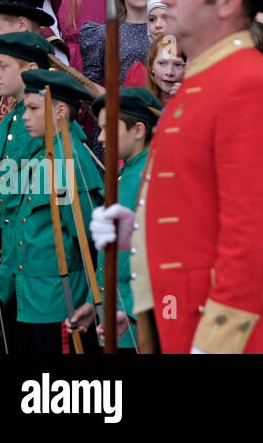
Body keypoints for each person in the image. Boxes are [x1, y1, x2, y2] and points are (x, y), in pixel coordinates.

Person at [91, 0, 263, 353]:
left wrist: (213, 345)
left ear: (226, 3)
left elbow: (251, 240)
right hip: (180, 319)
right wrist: (138, 229)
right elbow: (196, 206)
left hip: (227, 336)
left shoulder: (249, 86)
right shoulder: (203, 80)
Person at [0, 69, 101, 354]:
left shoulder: (69, 160)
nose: (24, 117)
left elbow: (95, 245)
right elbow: (25, 239)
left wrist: (96, 300)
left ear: (60, 111)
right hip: (30, 304)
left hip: (61, 308)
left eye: (32, 108)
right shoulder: (42, 156)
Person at [72, 87, 161, 350]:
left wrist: (130, 311)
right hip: (117, 316)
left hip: (137, 324)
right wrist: (94, 302)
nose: (100, 137)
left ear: (138, 130)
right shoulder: (130, 174)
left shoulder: (151, 178)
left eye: (108, 128)